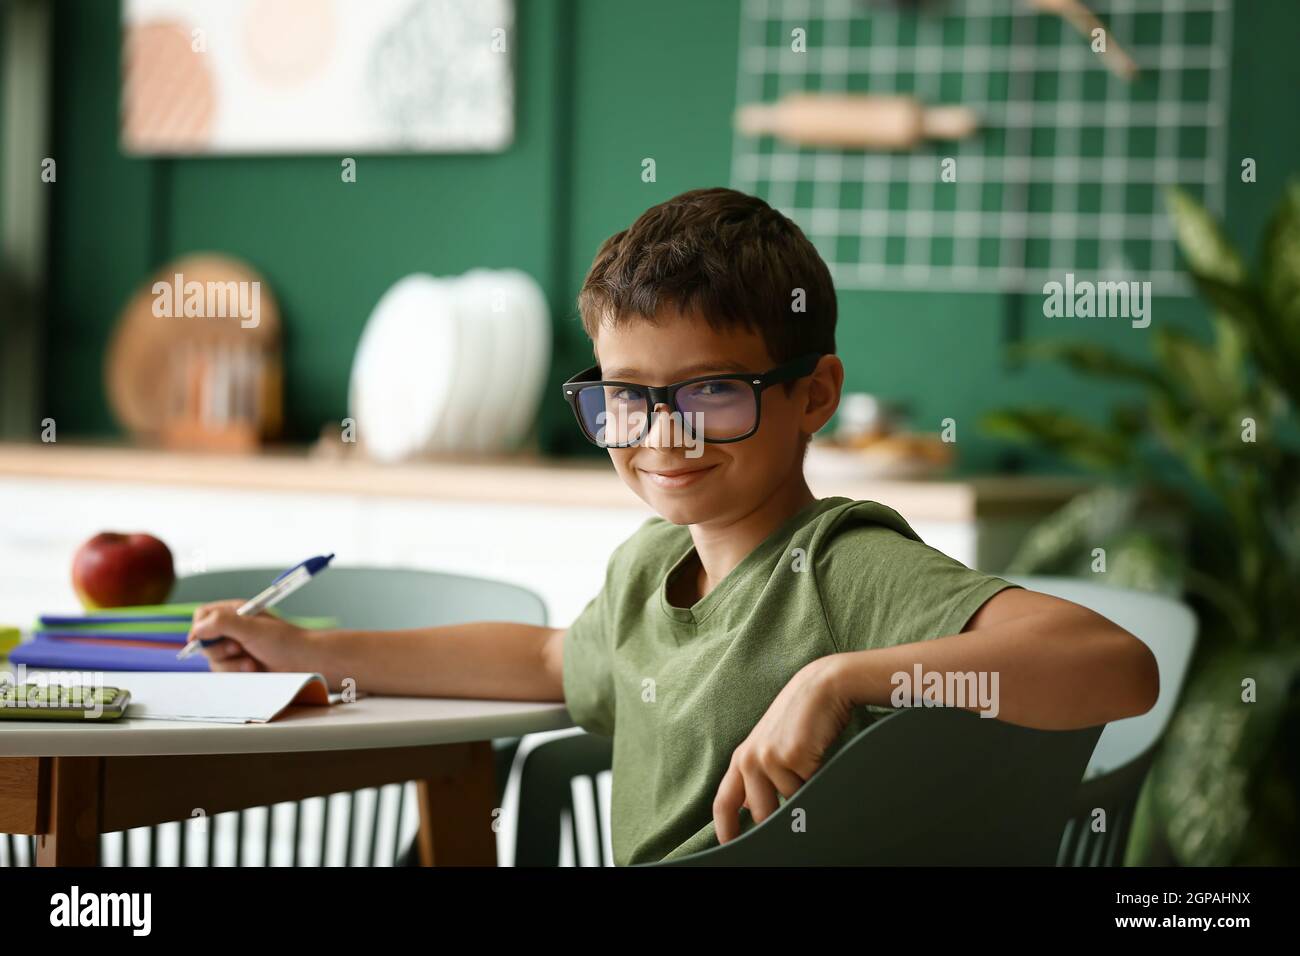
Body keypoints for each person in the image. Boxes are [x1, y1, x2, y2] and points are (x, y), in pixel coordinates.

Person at [189, 187, 1159, 866]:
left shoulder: (841, 565)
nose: (662, 433)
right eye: (627, 397)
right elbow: (541, 657)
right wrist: (301, 648)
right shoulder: (649, 564)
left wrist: (838, 676)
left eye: (711, 392)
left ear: (813, 393)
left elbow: (1114, 662)